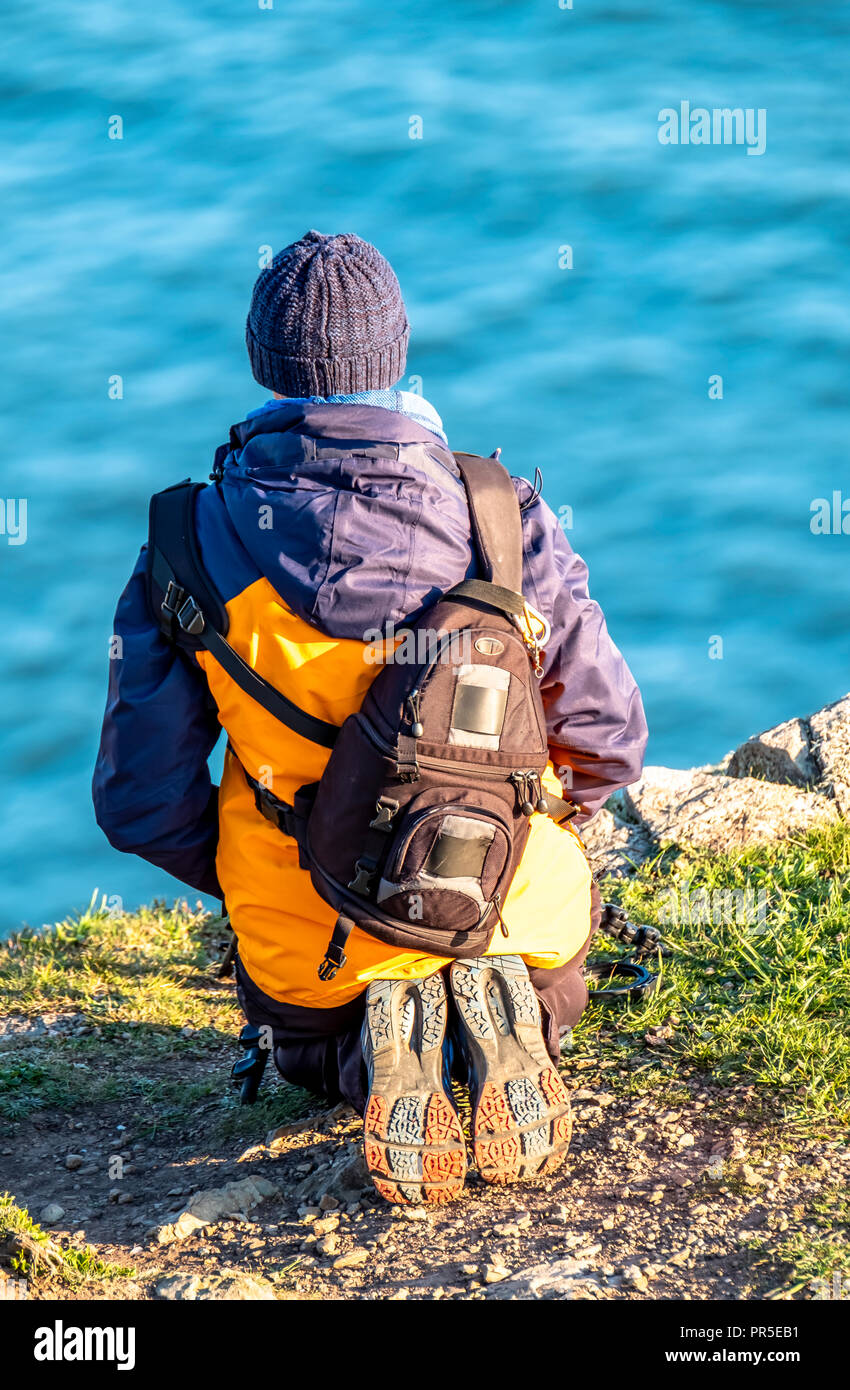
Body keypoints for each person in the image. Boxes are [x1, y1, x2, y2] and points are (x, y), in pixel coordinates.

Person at [93, 230, 647, 1204]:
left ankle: (375, 1044)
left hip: (310, 935)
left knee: (311, 1048)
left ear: (263, 362)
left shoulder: (187, 541)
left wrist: (273, 857)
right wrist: (518, 815)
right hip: (498, 885)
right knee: (560, 976)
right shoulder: (495, 514)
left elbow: (141, 803)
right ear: (394, 354)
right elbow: (606, 738)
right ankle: (494, 999)